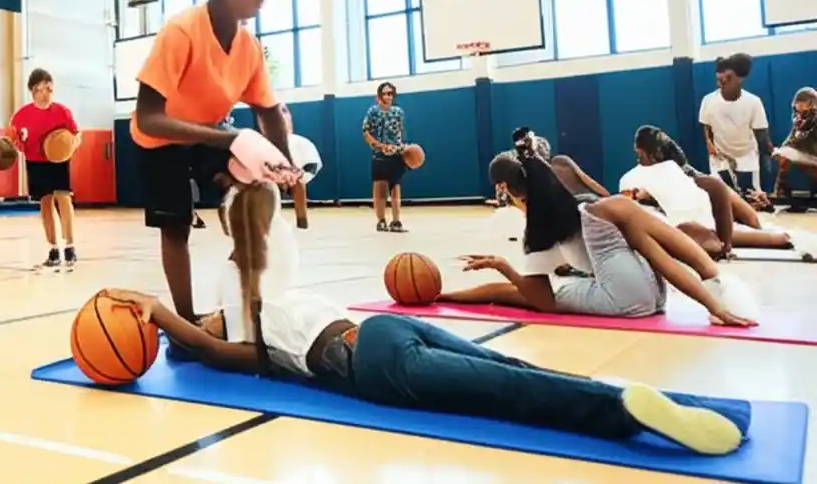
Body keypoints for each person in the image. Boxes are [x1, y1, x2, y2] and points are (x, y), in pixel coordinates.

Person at [101, 181, 752, 457]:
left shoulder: (256, 304)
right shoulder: (259, 313)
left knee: (518, 385)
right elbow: (208, 348)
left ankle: (639, 411)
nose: (211, 322)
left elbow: (223, 331)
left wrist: (169, 315)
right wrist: (165, 318)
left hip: (380, 355)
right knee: (516, 374)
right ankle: (670, 407)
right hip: (379, 342)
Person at [130, 0, 299, 327]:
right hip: (161, 140)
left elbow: (268, 111)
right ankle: (187, 320)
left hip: (210, 135)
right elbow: (149, 118)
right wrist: (227, 139)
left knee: (254, 194)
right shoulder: (181, 32)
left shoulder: (249, 48)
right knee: (175, 227)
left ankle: (242, 297)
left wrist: (285, 164)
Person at [439, 132, 759, 326]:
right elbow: (665, 251)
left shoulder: (539, 229)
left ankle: (442, 296)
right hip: (656, 296)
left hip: (622, 300)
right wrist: (715, 301)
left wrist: (502, 266)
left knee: (517, 293)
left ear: (505, 188)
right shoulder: (602, 207)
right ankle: (718, 286)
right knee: (637, 242)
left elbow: (542, 302)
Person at [627, 126, 799, 258]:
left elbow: (719, 195)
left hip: (710, 221)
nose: (638, 161)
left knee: (770, 234)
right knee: (764, 232)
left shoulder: (680, 174)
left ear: (653, 155)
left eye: (640, 156)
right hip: (709, 220)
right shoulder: (662, 172)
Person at [9, 68, 80, 271]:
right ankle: (53, 249)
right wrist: (18, 144)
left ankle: (70, 246)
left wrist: (71, 144)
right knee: (46, 201)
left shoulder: (62, 112)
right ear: (33, 91)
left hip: (58, 160)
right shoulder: (22, 115)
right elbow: (12, 138)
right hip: (36, 160)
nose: (46, 93)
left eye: (49, 89)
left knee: (64, 198)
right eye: (41, 89)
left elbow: (76, 134)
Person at [699, 54, 773, 193]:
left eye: (728, 78)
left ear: (740, 78)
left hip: (746, 156)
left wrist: (768, 154)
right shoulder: (708, 101)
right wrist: (709, 143)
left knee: (751, 197)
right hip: (720, 157)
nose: (722, 82)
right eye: (719, 79)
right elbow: (706, 125)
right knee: (723, 196)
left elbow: (761, 134)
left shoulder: (753, 102)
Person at [362, 82, 411, 232]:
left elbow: (400, 132)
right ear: (379, 95)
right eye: (385, 93)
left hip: (396, 154)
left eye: (390, 93)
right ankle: (381, 220)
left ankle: (396, 221)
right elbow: (365, 132)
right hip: (379, 155)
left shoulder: (398, 112)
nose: (388, 96)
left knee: (395, 189)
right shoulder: (373, 111)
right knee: (380, 190)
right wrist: (379, 145)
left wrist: (403, 147)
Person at [772, 87, 817, 208]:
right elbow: (789, 142)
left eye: (804, 113)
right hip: (810, 158)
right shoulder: (799, 123)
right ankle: (780, 190)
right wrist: (779, 152)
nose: (800, 117)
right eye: (798, 112)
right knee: (784, 155)